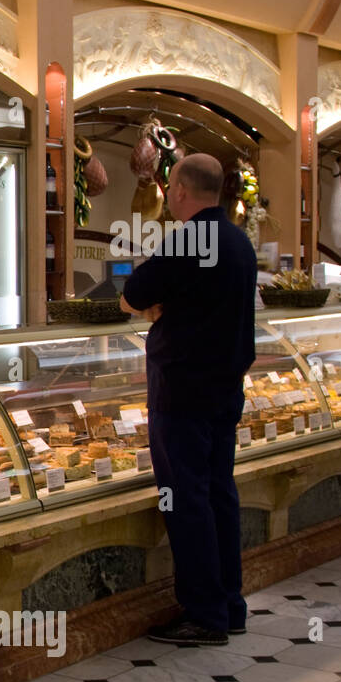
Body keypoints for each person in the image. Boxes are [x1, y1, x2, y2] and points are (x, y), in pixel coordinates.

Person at [120, 153, 257, 645]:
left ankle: (204, 614)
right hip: (225, 391)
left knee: (186, 500)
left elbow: (134, 293)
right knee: (219, 493)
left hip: (182, 395)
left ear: (178, 190)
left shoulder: (190, 239)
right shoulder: (239, 242)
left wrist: (153, 304)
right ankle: (229, 606)